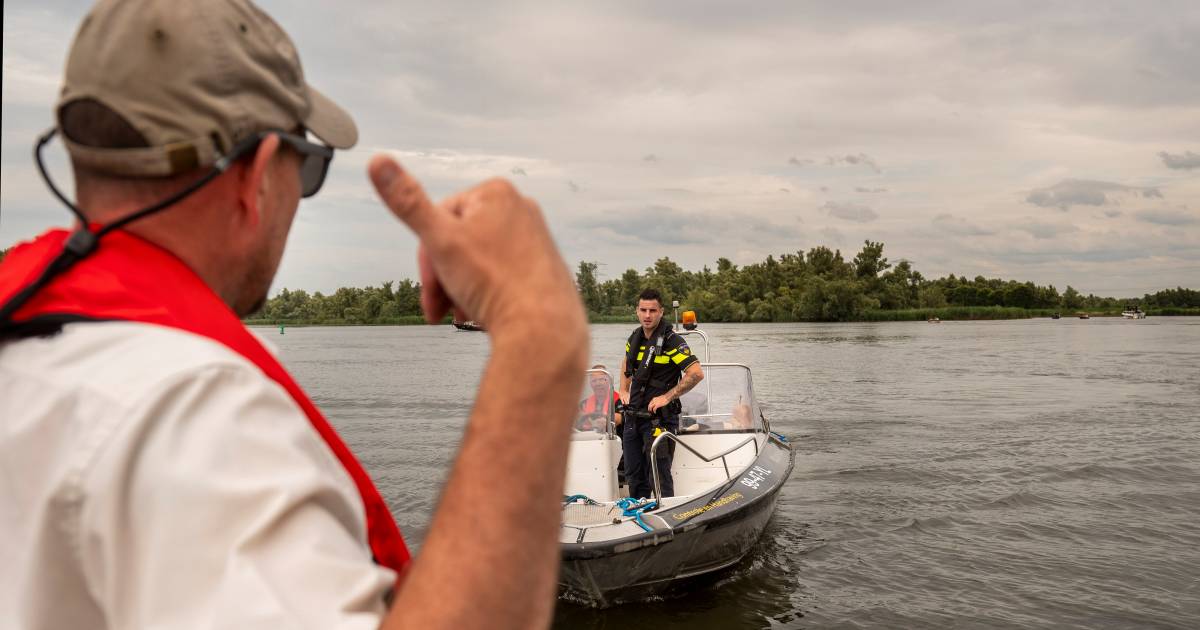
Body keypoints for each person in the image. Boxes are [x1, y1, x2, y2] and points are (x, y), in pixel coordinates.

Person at [0, 1, 587, 629]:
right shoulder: (195, 411)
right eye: (307, 166)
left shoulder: (31, 338)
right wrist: (539, 335)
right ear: (255, 176)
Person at [618, 289, 704, 499]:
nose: (647, 315)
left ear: (661, 312)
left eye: (653, 310)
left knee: (658, 475)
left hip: (659, 421)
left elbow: (696, 373)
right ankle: (638, 517)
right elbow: (626, 363)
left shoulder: (672, 341)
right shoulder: (634, 338)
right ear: (637, 311)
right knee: (633, 475)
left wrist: (667, 397)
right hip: (633, 418)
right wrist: (623, 389)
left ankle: (665, 516)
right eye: (643, 310)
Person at [578, 363, 622, 433]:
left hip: (611, 440)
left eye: (601, 379)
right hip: (588, 440)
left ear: (608, 381)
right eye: (594, 381)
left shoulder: (620, 400)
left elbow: (621, 418)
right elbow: (576, 421)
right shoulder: (584, 404)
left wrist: (608, 420)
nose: (598, 383)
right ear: (590, 384)